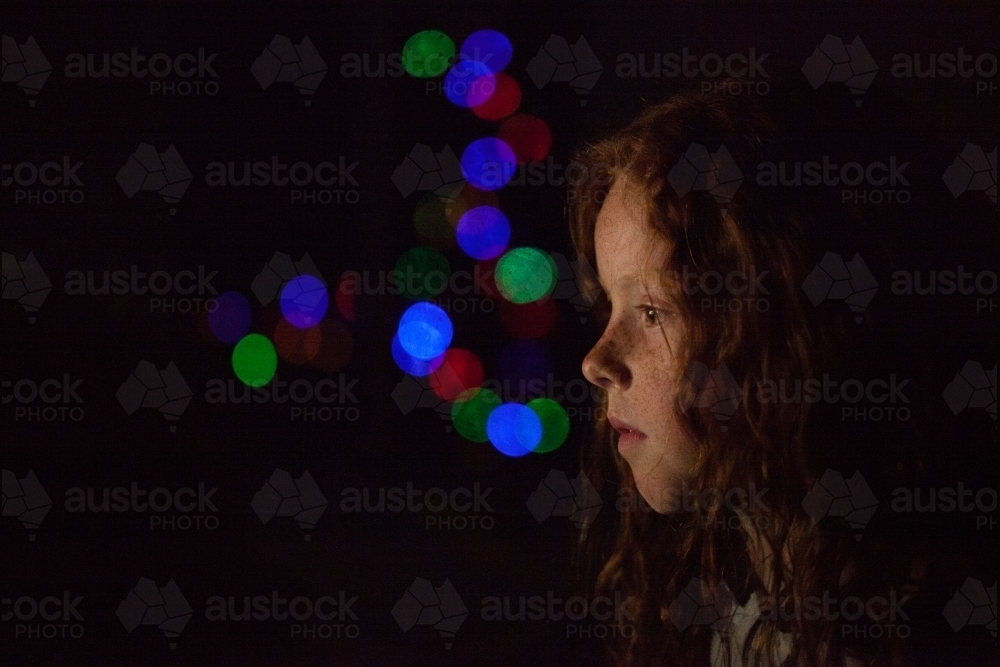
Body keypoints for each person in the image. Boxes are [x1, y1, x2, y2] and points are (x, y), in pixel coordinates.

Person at [567, 87, 918, 666]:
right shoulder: (747, 613)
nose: (595, 362)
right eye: (609, 306)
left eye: (651, 311)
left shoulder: (885, 640)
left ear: (774, 334)